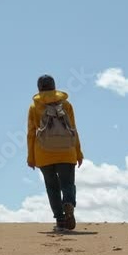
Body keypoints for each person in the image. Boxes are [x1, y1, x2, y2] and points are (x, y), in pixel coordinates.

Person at [27, 74, 84, 232]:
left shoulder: (34, 107)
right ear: (54, 86)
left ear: (39, 88)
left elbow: (31, 133)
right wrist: (78, 153)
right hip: (67, 151)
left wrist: (31, 157)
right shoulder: (66, 105)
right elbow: (73, 129)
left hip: (43, 153)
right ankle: (69, 204)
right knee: (68, 184)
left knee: (52, 187)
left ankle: (60, 221)